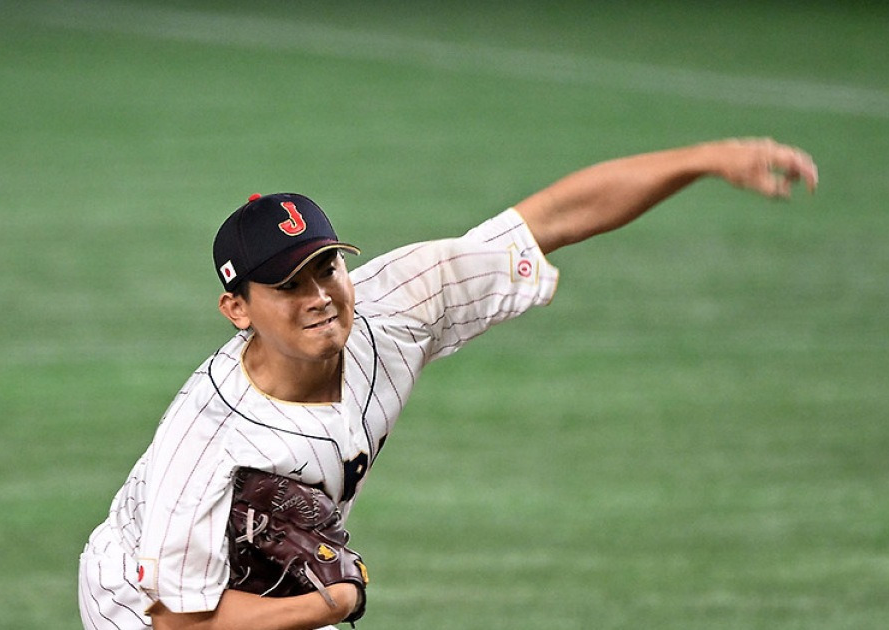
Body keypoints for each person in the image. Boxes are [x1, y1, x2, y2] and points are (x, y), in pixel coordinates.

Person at [77, 138, 818, 630]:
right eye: (286, 284)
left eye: (326, 266)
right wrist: (330, 602)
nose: (319, 296)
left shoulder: (398, 305)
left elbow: (551, 218)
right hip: (138, 605)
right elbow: (175, 619)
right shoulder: (203, 439)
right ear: (237, 309)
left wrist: (710, 158)